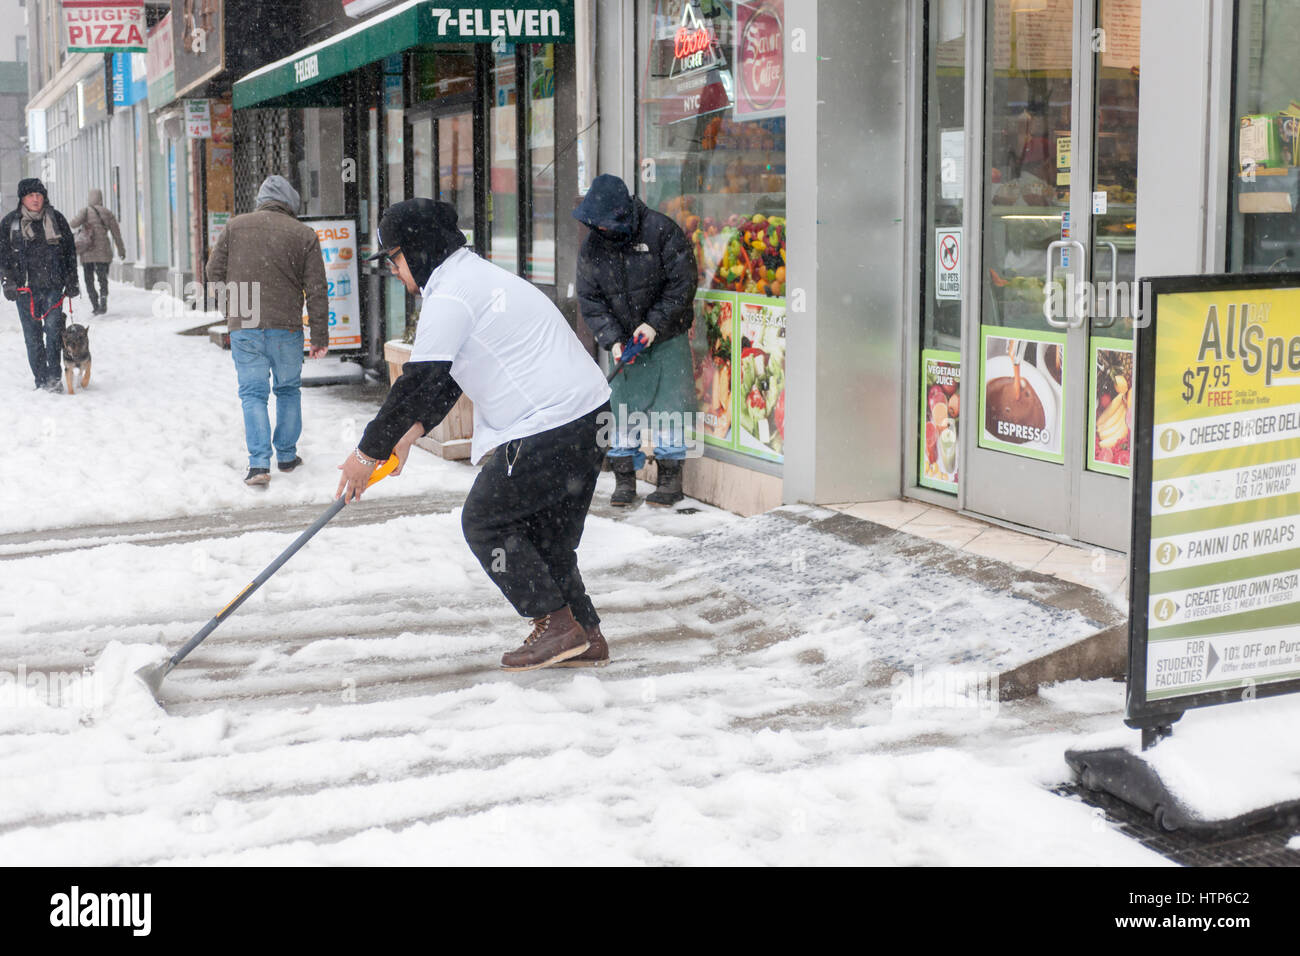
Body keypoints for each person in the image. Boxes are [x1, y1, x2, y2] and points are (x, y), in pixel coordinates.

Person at [335, 199, 613, 671]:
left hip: (549, 423)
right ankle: (583, 633)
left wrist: (366, 453)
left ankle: (556, 623)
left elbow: (418, 379)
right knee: (546, 536)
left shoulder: (451, 293)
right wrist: (409, 433)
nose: (396, 272)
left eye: (394, 259)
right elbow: (447, 378)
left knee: (486, 522)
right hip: (588, 417)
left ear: (417, 250)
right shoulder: (474, 278)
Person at [574, 174, 698, 507]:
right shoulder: (592, 248)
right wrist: (612, 339)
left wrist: (654, 325)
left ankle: (671, 481)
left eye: (607, 225)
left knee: (671, 410)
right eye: (597, 226)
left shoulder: (661, 231)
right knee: (622, 412)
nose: (602, 231)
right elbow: (591, 300)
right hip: (624, 344)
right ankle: (624, 481)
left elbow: (682, 284)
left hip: (666, 338)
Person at [206, 175, 329, 487]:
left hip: (245, 324)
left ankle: (258, 464)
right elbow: (317, 289)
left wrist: (231, 310)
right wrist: (319, 336)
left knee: (252, 394)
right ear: (291, 203)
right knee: (287, 390)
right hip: (286, 327)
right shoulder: (303, 234)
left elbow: (212, 273)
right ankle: (286, 456)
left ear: (261, 200)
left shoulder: (235, 226)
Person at [0, 178, 79, 393]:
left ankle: (54, 378)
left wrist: (72, 280)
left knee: (54, 333)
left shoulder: (56, 219)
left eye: (39, 195)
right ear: (22, 199)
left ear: (44, 197)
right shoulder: (10, 223)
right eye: (30, 195)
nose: (35, 199)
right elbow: (3, 257)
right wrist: (7, 281)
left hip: (53, 287)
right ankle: (41, 379)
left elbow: (70, 253)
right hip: (25, 291)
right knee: (32, 337)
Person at [68, 189, 126, 315]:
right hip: (103, 251)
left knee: (89, 279)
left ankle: (95, 303)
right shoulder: (107, 213)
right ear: (101, 199)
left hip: (88, 251)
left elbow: (73, 224)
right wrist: (121, 250)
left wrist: (83, 219)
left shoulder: (85, 211)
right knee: (102, 278)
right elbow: (116, 234)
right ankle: (103, 299)